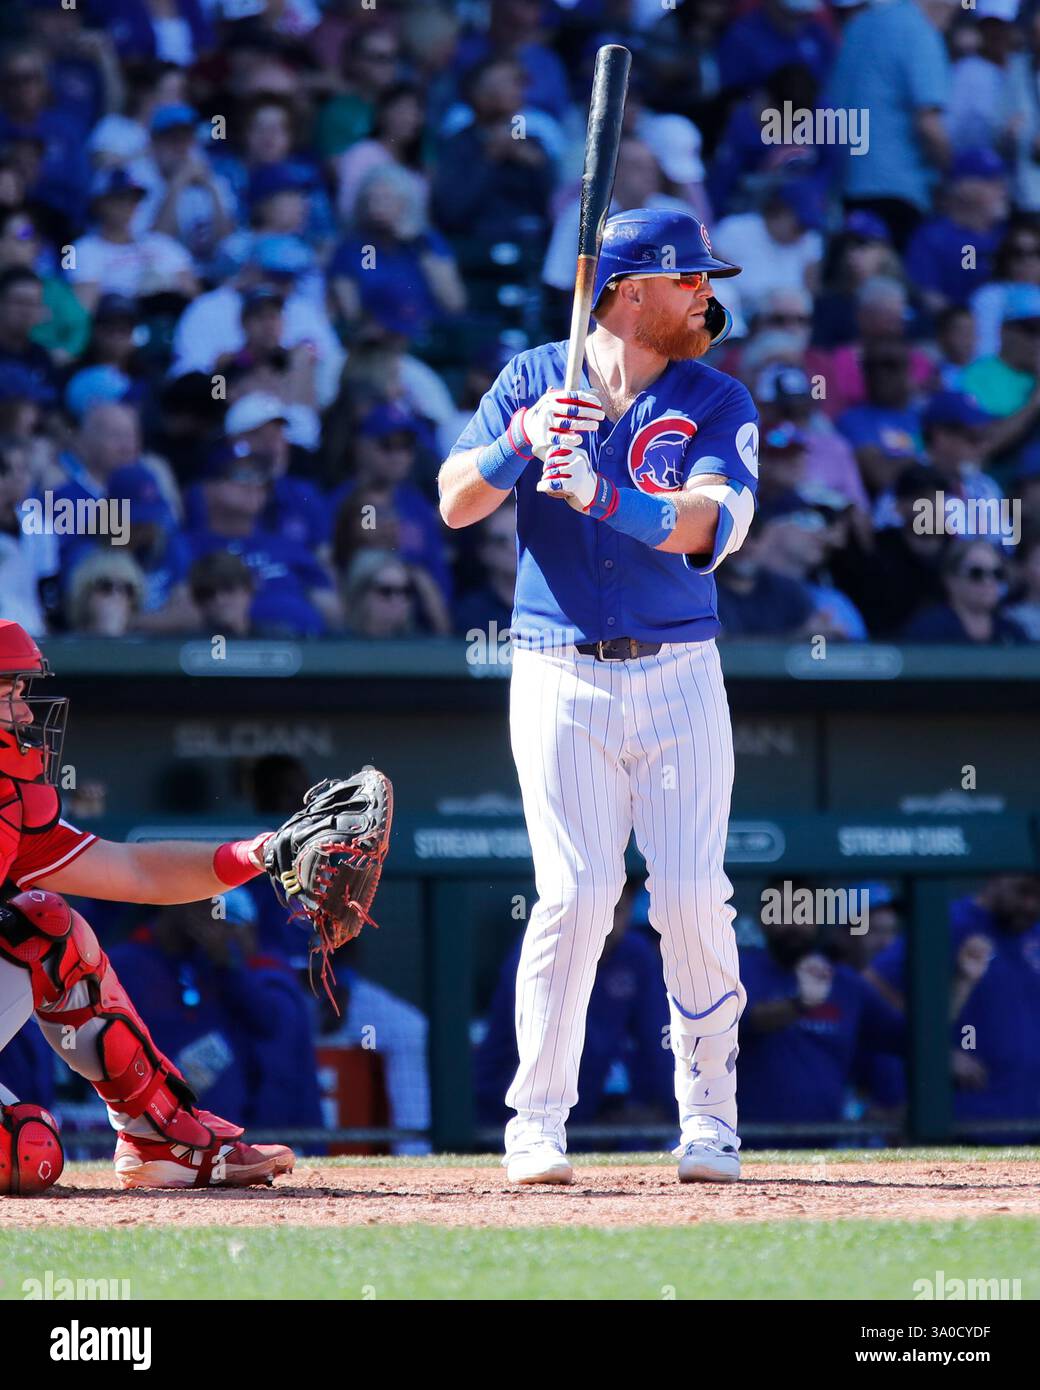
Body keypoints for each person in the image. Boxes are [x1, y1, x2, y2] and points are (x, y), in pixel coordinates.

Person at [438, 208, 759, 1185]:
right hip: (555, 667)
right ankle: (535, 1121)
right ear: (628, 292)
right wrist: (521, 444)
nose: (703, 292)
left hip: (676, 673)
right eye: (684, 279)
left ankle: (708, 1117)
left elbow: (707, 523)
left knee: (694, 897)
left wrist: (599, 494)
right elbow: (454, 499)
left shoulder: (714, 395)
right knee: (573, 896)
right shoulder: (534, 379)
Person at [0, 619, 294, 1192]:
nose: (26, 715)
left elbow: (134, 868)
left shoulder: (12, 802)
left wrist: (258, 853)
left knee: (44, 924)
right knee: (21, 1151)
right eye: (8, 695)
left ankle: (161, 1139)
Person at [476, 878, 674, 1139]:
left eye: (617, 911)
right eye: (599, 909)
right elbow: (561, 1045)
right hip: (505, 1111)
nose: (607, 924)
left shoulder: (634, 954)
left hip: (586, 1108)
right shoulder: (542, 948)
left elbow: (657, 1039)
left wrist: (673, 1113)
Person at [866, 875, 1040, 1143]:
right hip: (969, 1116)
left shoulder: (1032, 930)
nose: (1031, 904)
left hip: (1029, 1116)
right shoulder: (950, 922)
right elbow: (873, 985)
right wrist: (934, 1052)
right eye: (1023, 891)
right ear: (995, 878)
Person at [737, 878, 904, 1144]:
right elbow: (747, 1021)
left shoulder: (845, 982)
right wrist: (800, 1004)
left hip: (827, 1145)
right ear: (762, 918)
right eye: (781, 911)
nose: (793, 923)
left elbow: (904, 1037)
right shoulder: (738, 971)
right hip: (749, 1143)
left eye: (804, 912)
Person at [825, 0, 953, 250]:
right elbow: (929, 125)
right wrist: (953, 172)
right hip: (898, 192)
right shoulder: (919, 32)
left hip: (845, 185)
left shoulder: (858, 25)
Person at [901, 539, 1029, 644]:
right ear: (951, 580)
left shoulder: (1012, 632)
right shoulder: (927, 630)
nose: (988, 582)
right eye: (976, 573)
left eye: (997, 574)